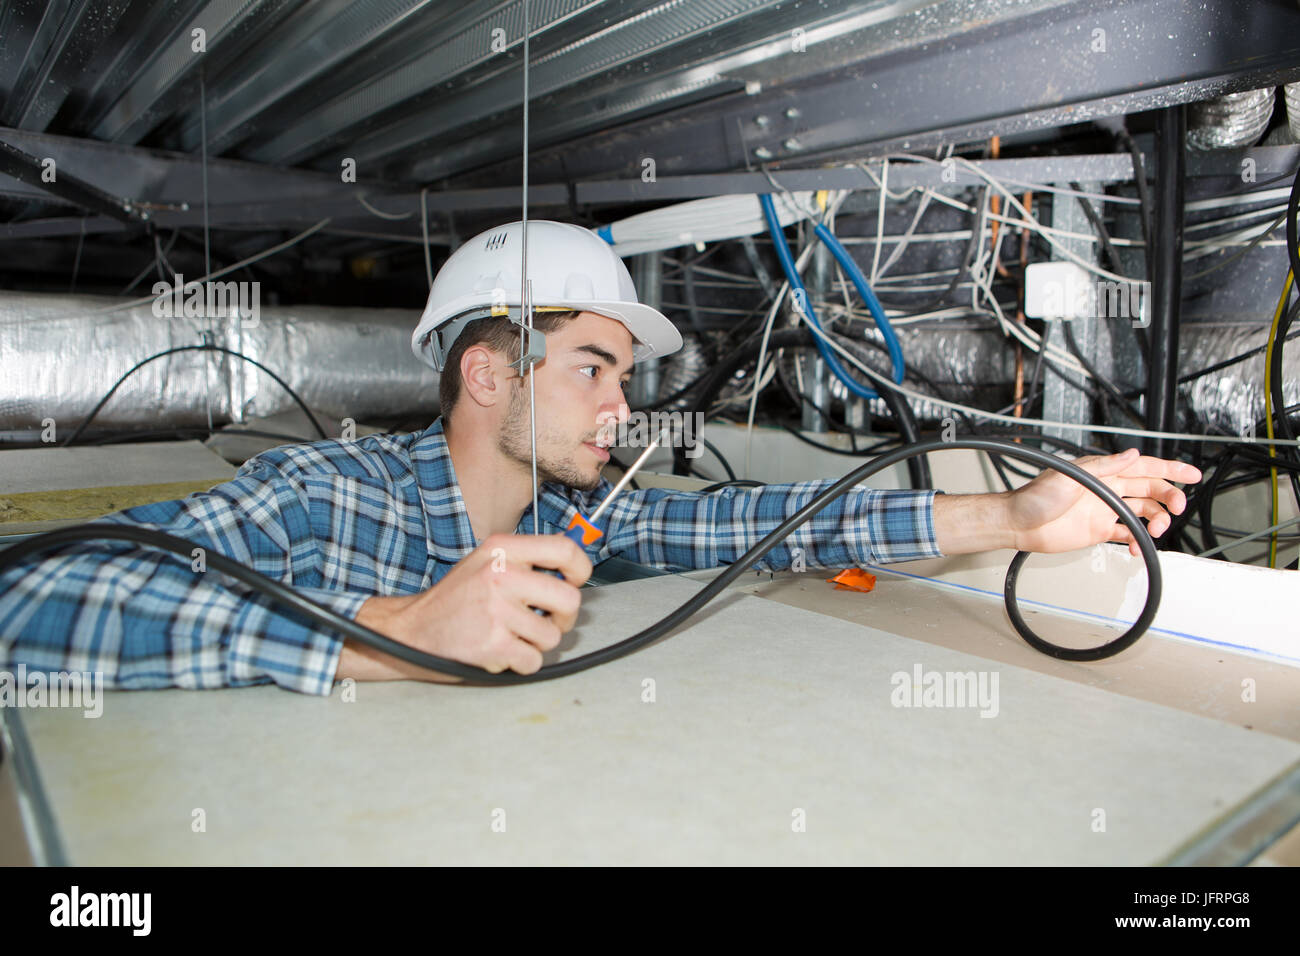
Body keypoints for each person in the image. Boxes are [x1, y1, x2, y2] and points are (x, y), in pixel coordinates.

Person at [0, 220, 1201, 694]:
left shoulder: (592, 525)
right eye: (591, 366)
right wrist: (389, 631)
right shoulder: (322, 495)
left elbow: (772, 524)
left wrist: (1020, 520)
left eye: (623, 376)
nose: (621, 407)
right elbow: (30, 601)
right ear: (488, 372)